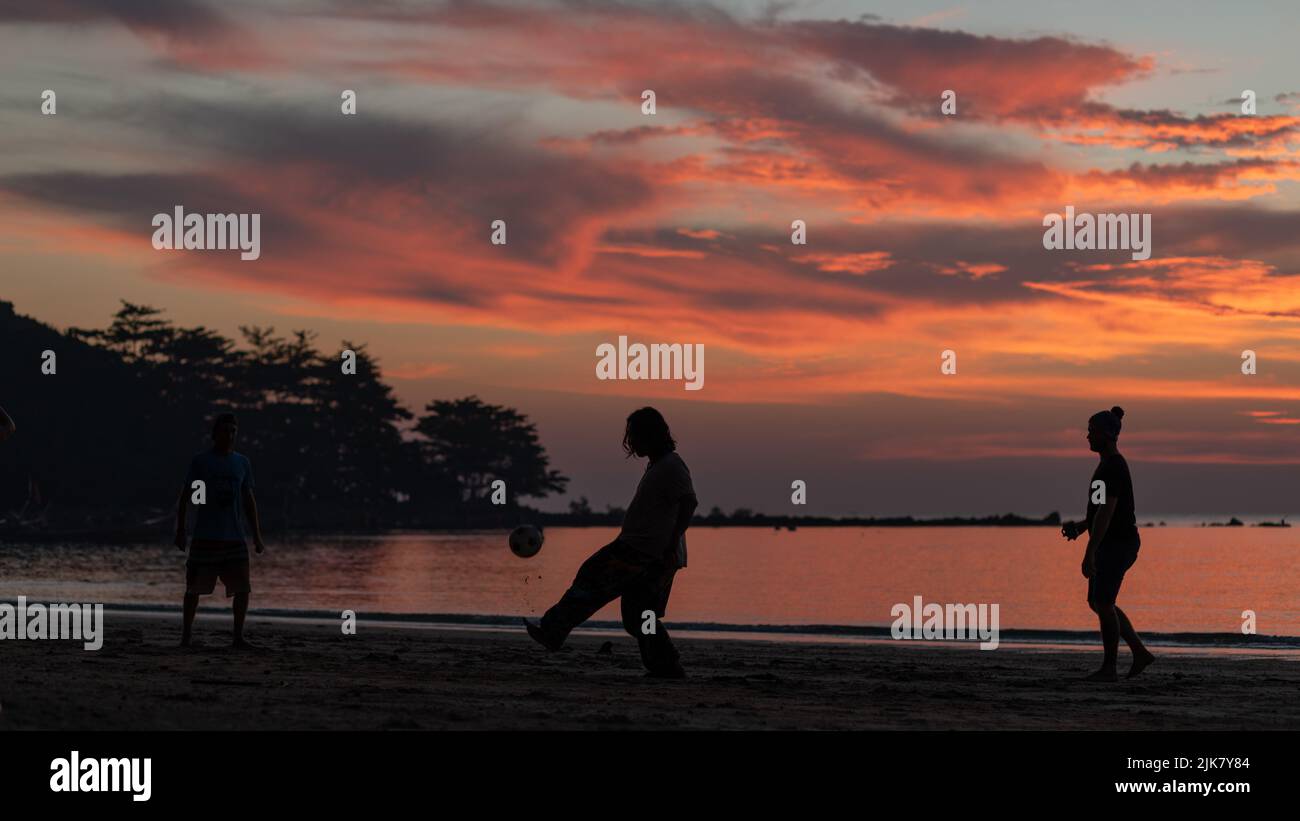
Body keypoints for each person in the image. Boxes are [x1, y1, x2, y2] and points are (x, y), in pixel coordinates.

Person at [524, 407, 698, 677]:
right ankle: (667, 665)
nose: (631, 442)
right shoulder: (658, 465)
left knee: (592, 576)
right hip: (645, 549)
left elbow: (689, 503)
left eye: (635, 435)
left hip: (647, 552)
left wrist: (669, 545)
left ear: (650, 435)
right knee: (638, 615)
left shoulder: (672, 466)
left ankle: (552, 630)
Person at [1061, 406, 1154, 681]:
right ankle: (1139, 652)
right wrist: (1080, 527)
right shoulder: (1105, 465)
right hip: (1111, 542)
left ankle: (1110, 668)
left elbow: (1106, 512)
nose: (1087, 436)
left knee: (1103, 602)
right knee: (1099, 602)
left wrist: (1089, 552)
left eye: (1093, 431)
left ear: (1108, 434)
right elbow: (1100, 511)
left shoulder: (1112, 466)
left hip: (1118, 544)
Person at [174, 413, 266, 648]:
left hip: (234, 537)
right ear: (215, 434)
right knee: (193, 588)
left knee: (242, 588)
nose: (230, 434)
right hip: (205, 536)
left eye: (234, 430)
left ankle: (238, 637)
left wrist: (256, 535)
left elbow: (248, 501)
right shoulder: (201, 462)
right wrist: (181, 529)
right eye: (225, 430)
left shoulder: (242, 463)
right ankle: (186, 636)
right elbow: (187, 498)